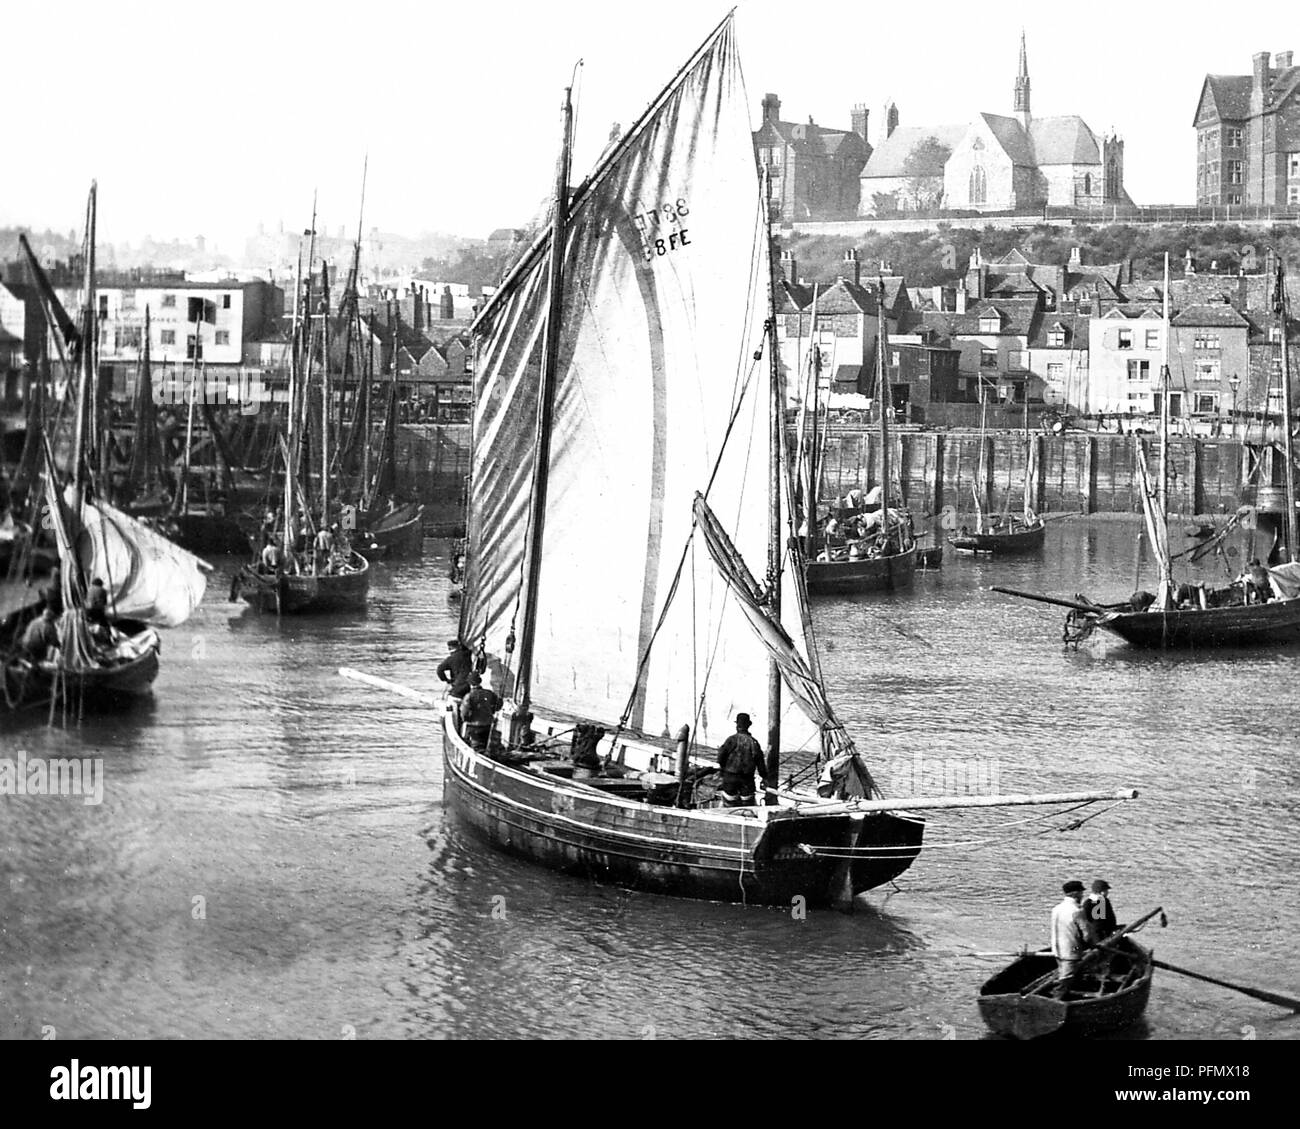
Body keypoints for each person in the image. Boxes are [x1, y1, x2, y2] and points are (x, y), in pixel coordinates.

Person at [1050, 880, 1095, 999]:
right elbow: (1086, 934)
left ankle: (1066, 995)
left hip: (1057, 949)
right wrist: (1091, 945)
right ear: (1075, 894)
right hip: (1071, 950)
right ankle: (1056, 1000)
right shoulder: (1077, 911)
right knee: (1066, 979)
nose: (1082, 895)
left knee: (1064, 973)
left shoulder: (1056, 909)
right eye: (1081, 893)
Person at [717, 712, 768, 807]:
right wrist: (764, 777)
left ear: (737, 725)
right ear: (748, 725)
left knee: (729, 805)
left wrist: (723, 770)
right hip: (747, 779)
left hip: (730, 777)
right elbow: (760, 763)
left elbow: (720, 758)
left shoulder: (731, 740)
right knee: (747, 806)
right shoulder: (754, 742)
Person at [459, 672, 502, 751]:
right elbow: (499, 703)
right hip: (488, 725)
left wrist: (466, 719)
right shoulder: (489, 693)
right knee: (486, 745)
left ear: (469, 683)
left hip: (473, 726)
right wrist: (491, 711)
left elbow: (464, 713)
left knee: (475, 747)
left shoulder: (469, 696)